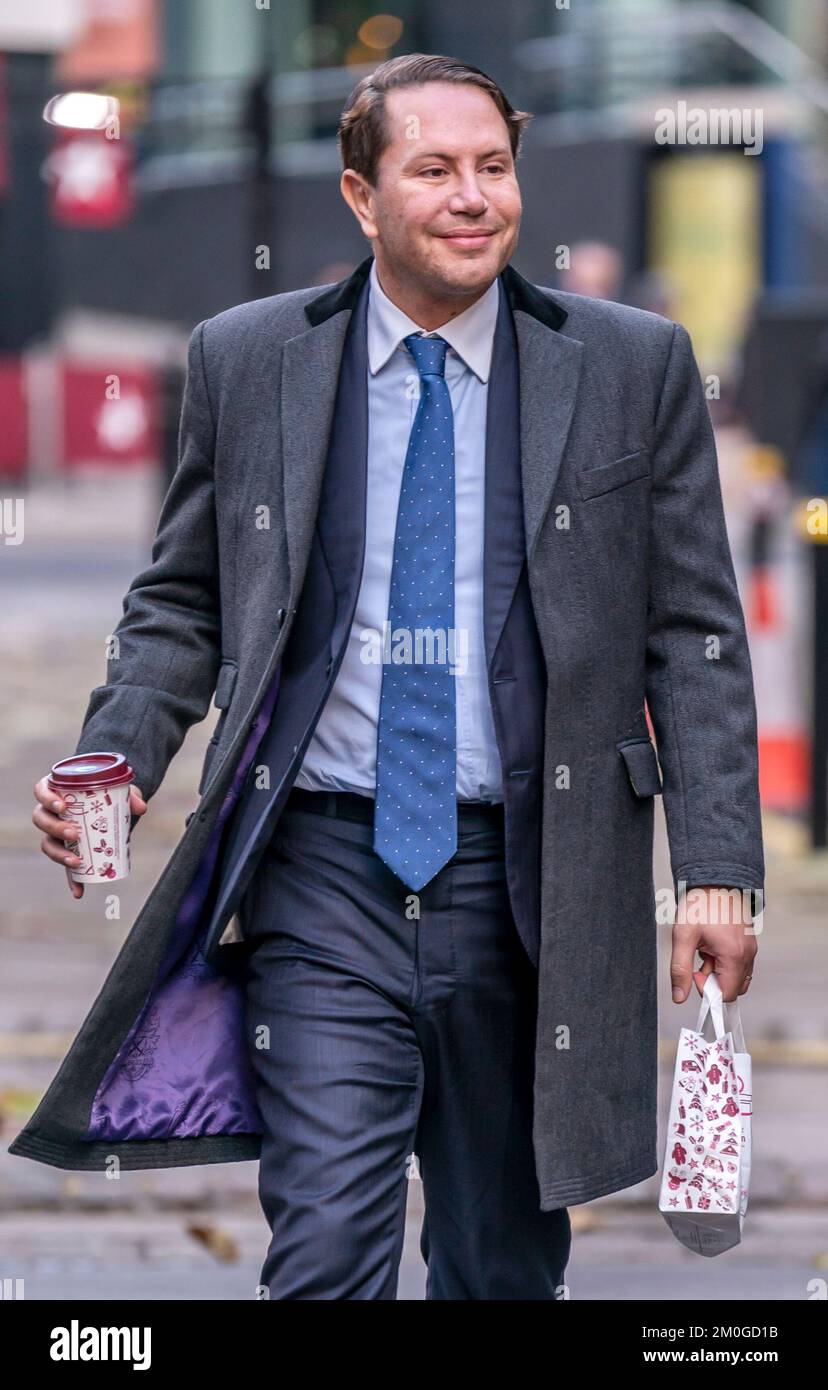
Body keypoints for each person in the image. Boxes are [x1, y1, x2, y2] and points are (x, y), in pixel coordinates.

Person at [23, 53, 764, 1300]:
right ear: (364, 197)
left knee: (499, 1266)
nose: (475, 197)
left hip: (535, 882)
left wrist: (721, 870)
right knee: (322, 1252)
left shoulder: (631, 367)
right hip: (322, 873)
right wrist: (119, 752)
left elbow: (692, 636)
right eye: (435, 171)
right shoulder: (249, 361)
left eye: (494, 167)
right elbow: (181, 600)